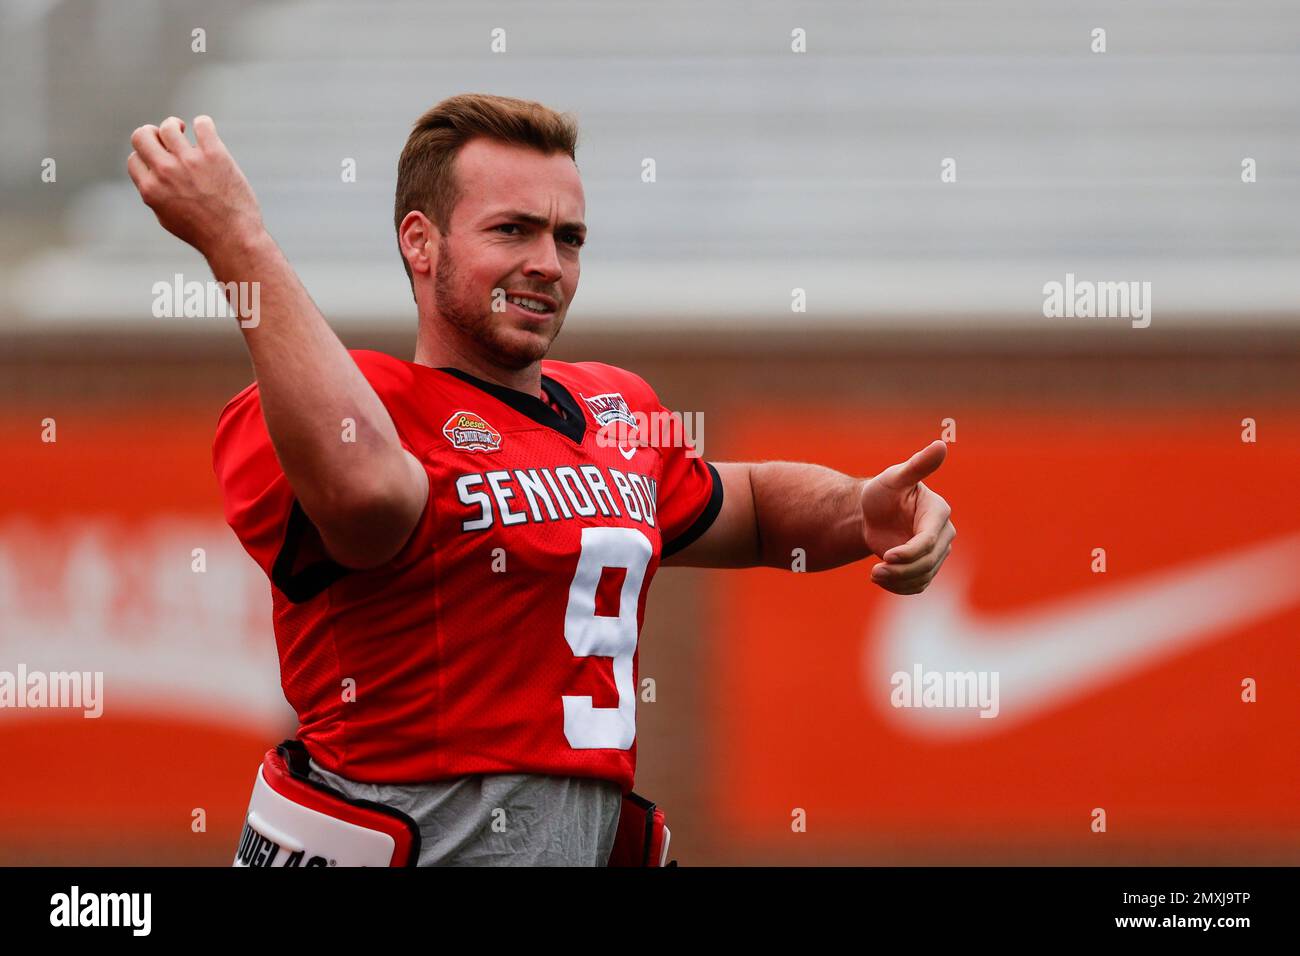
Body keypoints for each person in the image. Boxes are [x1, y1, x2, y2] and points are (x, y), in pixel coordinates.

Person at [127, 92, 955, 866]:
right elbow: (368, 497)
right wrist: (238, 240)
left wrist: (862, 509)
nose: (548, 264)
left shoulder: (617, 406)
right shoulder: (345, 407)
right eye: (513, 231)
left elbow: (752, 509)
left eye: (569, 238)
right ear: (420, 242)